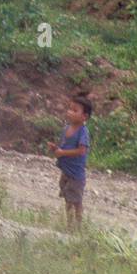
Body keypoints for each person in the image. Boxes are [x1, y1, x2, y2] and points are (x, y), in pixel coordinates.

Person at [52, 95, 92, 231]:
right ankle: (69, 226)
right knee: (68, 199)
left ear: (84, 117)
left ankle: (78, 226)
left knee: (76, 201)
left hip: (76, 174)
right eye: (69, 109)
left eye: (75, 110)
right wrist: (56, 150)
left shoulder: (83, 132)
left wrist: (62, 153)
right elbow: (65, 147)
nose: (70, 112)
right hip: (66, 171)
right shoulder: (66, 129)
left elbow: (82, 150)